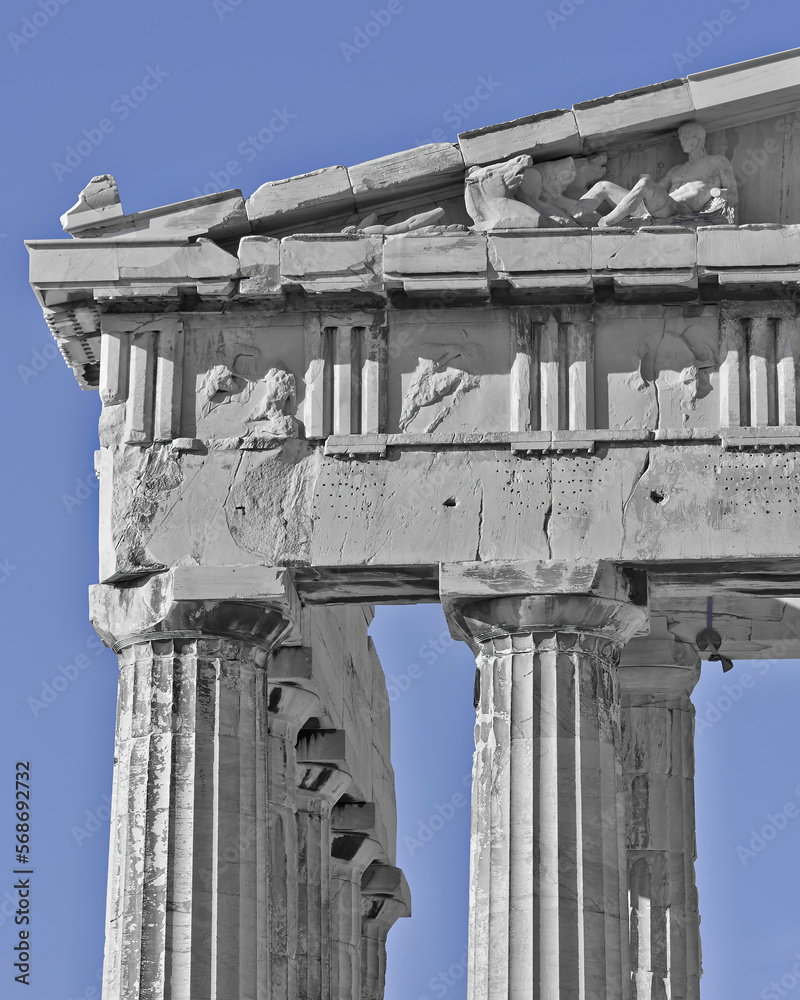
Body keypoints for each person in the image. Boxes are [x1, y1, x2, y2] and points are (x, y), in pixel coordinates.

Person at [575, 122, 738, 227]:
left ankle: (607, 221)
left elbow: (734, 194)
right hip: (657, 206)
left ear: (698, 139)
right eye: (681, 137)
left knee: (645, 184)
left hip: (679, 209)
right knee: (602, 186)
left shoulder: (717, 162)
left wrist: (718, 193)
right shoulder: (676, 169)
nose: (682, 141)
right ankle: (576, 217)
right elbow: (657, 189)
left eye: (686, 137)